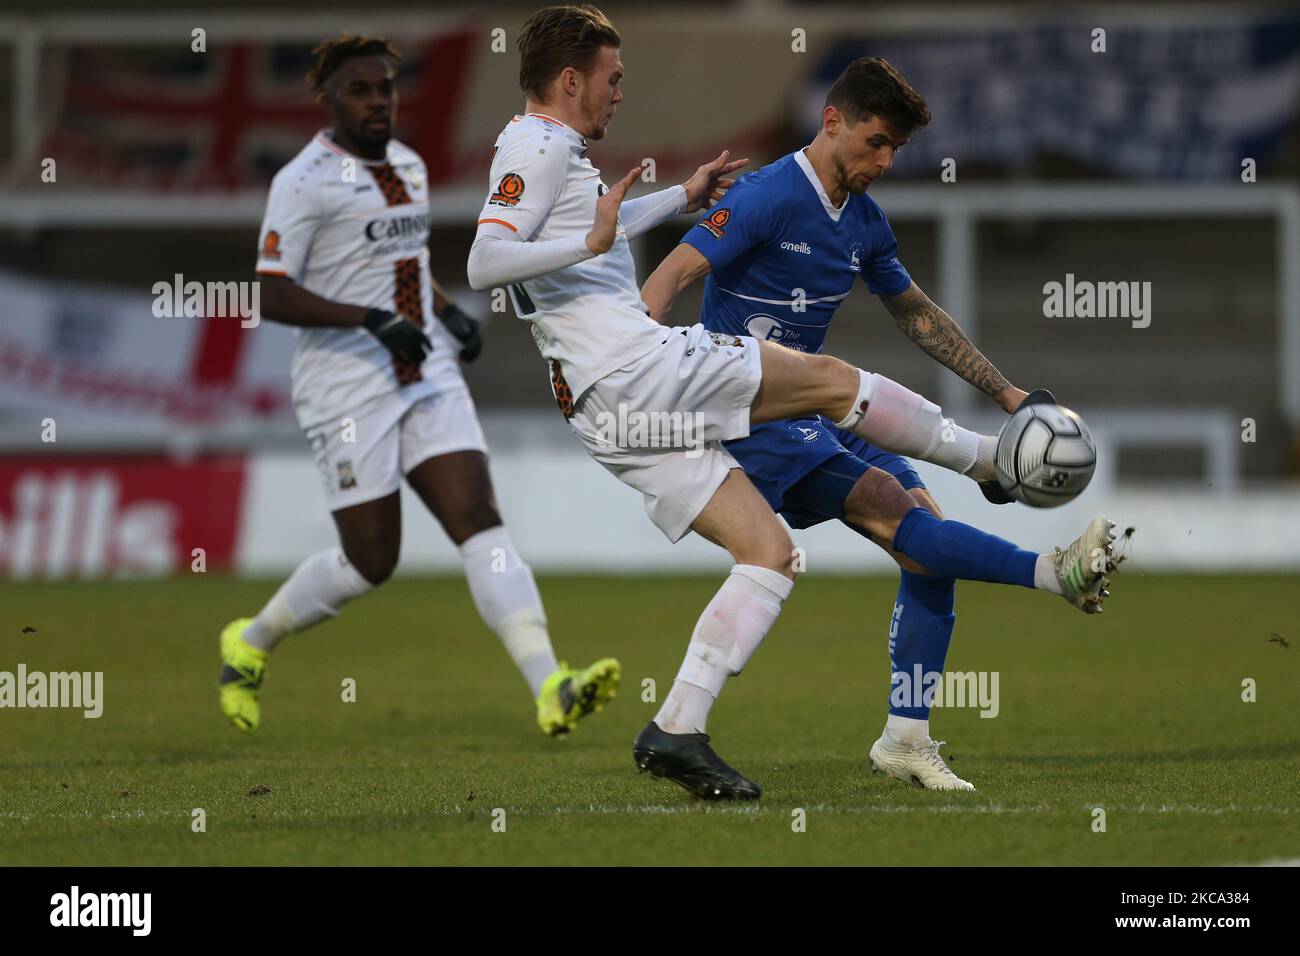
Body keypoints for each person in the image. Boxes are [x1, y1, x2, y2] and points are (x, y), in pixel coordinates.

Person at [466, 6, 1114, 799]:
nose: (621, 93)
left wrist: (672, 199)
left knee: (770, 554)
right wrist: (597, 245)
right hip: (642, 370)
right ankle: (997, 470)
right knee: (839, 385)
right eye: (613, 78)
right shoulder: (535, 145)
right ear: (571, 79)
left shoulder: (562, 153)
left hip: (607, 405)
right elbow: (485, 259)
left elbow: (910, 309)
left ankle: (675, 730)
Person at [641, 56, 1117, 791]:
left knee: (928, 543)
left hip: (819, 403)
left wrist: (1007, 393)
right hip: (752, 414)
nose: (886, 161)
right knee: (902, 518)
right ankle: (1054, 572)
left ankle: (905, 738)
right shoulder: (767, 195)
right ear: (832, 121)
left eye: (895, 148)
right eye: (875, 142)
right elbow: (671, 275)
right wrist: (639, 359)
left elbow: (916, 313)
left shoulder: (862, 222)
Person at [219, 34, 619, 739]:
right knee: (371, 559)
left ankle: (550, 684)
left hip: (423, 370)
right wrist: (370, 320)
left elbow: (401, 258)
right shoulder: (304, 181)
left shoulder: (406, 163)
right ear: (330, 100)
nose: (378, 102)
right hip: (344, 387)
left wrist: (444, 312)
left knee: (479, 521)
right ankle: (250, 642)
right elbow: (271, 295)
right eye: (360, 91)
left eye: (385, 88)